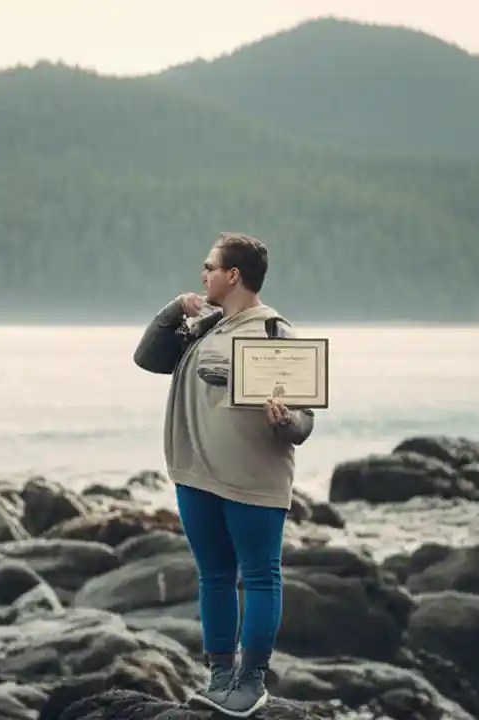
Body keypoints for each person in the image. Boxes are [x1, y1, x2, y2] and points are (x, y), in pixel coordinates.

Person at [133, 232, 314, 717]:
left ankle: (251, 681)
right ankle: (219, 678)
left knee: (259, 575)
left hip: (253, 479)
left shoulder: (274, 331)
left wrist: (287, 421)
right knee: (214, 576)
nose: (203, 275)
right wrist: (176, 309)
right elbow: (147, 358)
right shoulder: (202, 328)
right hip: (195, 475)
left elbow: (304, 422)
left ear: (233, 275)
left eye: (209, 267)